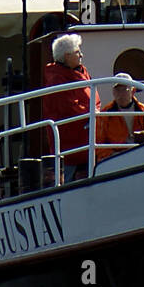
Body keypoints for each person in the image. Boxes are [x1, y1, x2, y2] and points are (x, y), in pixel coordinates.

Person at [41, 33, 99, 181]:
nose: (81, 55)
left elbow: (94, 99)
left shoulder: (81, 73)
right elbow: (69, 108)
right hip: (72, 145)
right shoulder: (57, 80)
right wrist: (93, 113)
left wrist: (95, 112)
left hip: (88, 141)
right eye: (77, 52)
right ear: (66, 56)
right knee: (68, 182)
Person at [95, 73, 144, 163]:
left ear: (133, 91)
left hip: (142, 157)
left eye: (124, 90)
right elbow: (99, 145)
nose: (120, 94)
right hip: (115, 159)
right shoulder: (105, 115)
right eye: (117, 90)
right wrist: (116, 157)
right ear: (113, 92)